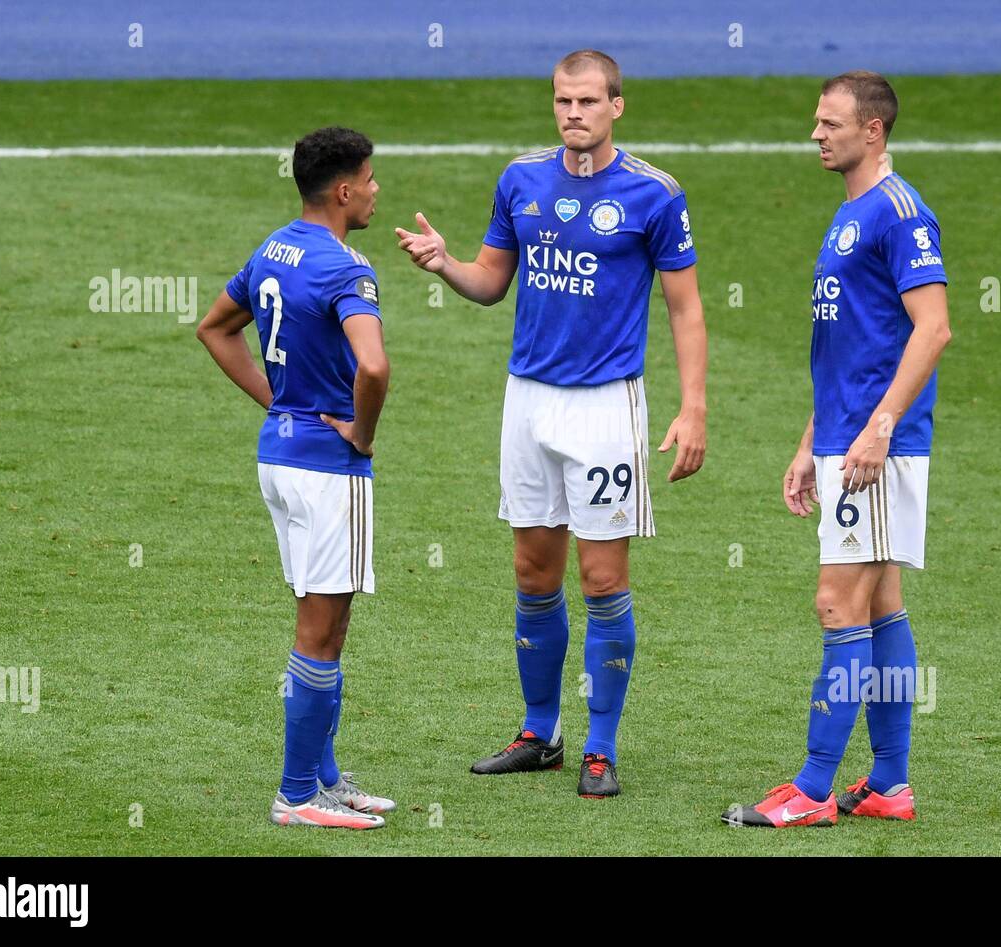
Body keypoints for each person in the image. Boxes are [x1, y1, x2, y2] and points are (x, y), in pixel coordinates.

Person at [395, 49, 707, 798]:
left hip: (606, 406)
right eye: (564, 102)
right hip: (527, 400)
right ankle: (541, 732)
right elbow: (491, 281)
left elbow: (686, 307)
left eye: (589, 102)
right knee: (534, 572)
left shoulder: (654, 195)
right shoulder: (522, 179)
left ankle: (600, 746)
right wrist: (445, 264)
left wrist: (692, 405)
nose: (574, 114)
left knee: (602, 579)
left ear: (617, 107)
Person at [724, 71, 951, 828]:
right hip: (847, 438)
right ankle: (888, 782)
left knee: (836, 600)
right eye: (817, 123)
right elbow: (848, 349)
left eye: (829, 124)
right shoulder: (850, 211)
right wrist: (808, 443)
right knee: (880, 602)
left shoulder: (900, 213)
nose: (816, 135)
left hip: (876, 446)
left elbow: (934, 328)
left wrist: (880, 425)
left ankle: (814, 788)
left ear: (873, 131)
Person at [197, 126, 395, 829]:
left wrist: (278, 404)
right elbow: (373, 366)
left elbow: (215, 328)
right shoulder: (346, 268)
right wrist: (361, 432)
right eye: (370, 180)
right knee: (320, 628)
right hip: (327, 467)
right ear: (342, 190)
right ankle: (296, 795)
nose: (376, 190)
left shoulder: (274, 247)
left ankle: (323, 776)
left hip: (279, 457)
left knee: (327, 622)